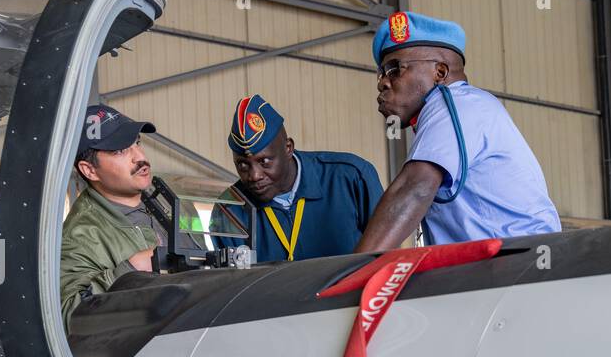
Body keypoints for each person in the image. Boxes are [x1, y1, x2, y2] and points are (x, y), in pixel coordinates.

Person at [356, 11, 560, 252]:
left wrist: (350, 273)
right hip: (505, 267)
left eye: (394, 69)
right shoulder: (456, 113)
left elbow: (414, 189)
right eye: (381, 74)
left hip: (520, 267)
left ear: (440, 73)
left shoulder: (458, 103)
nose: (383, 82)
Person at [60, 104, 202, 326]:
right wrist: (130, 270)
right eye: (119, 151)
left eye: (136, 143)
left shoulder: (174, 201)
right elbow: (68, 317)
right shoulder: (80, 235)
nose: (140, 157)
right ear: (89, 170)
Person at [213, 94, 383, 263]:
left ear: (288, 148)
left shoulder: (351, 178)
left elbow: (387, 258)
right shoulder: (230, 210)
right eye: (243, 165)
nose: (254, 176)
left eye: (264, 161)